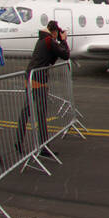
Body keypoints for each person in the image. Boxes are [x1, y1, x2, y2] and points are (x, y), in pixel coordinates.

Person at [16, 20, 69, 154]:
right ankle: (44, 146)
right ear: (55, 32)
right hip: (38, 80)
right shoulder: (48, 41)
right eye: (57, 34)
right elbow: (65, 54)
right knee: (40, 114)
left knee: (27, 111)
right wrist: (63, 41)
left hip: (31, 77)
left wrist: (58, 41)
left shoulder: (43, 40)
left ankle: (19, 141)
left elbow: (51, 58)